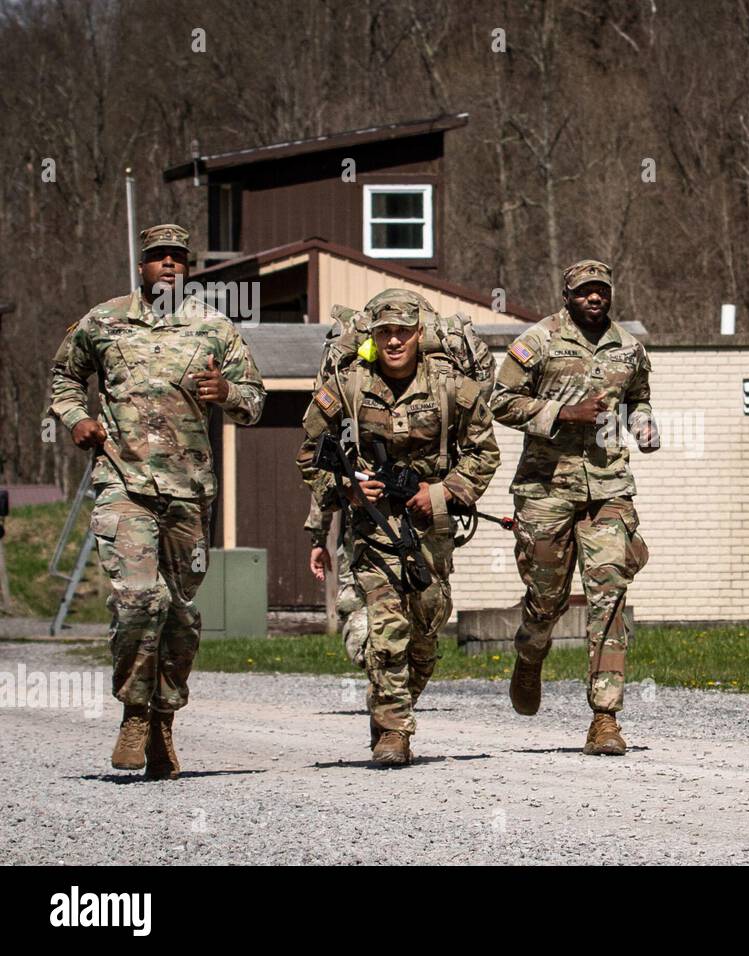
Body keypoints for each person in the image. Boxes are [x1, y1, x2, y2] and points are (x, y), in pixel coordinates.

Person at [47, 223, 265, 779]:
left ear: (188, 267)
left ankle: (165, 718)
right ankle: (133, 712)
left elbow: (255, 400)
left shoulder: (213, 328)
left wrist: (228, 395)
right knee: (139, 600)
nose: (168, 264)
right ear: (141, 266)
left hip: (190, 493)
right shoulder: (104, 320)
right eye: (157, 257)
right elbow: (64, 377)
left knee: (181, 616)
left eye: (177, 257)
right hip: (123, 484)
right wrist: (77, 419)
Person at [297, 294, 499, 766]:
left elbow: (485, 453)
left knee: (427, 627)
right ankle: (393, 731)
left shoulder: (452, 387)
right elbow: (309, 452)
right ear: (371, 337)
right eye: (384, 332)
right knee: (389, 625)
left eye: (402, 332)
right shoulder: (347, 388)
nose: (393, 340)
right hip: (372, 526)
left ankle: (394, 704)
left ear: (418, 335)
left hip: (432, 524)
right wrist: (345, 488)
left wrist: (444, 491)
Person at [489, 259, 656, 756]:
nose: (594, 298)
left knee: (608, 596)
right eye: (585, 291)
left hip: (608, 488)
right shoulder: (537, 341)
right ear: (568, 296)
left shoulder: (629, 348)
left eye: (601, 289)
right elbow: (501, 401)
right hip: (546, 489)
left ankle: (605, 719)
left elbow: (639, 399)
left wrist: (644, 424)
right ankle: (530, 653)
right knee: (547, 599)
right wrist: (562, 412)